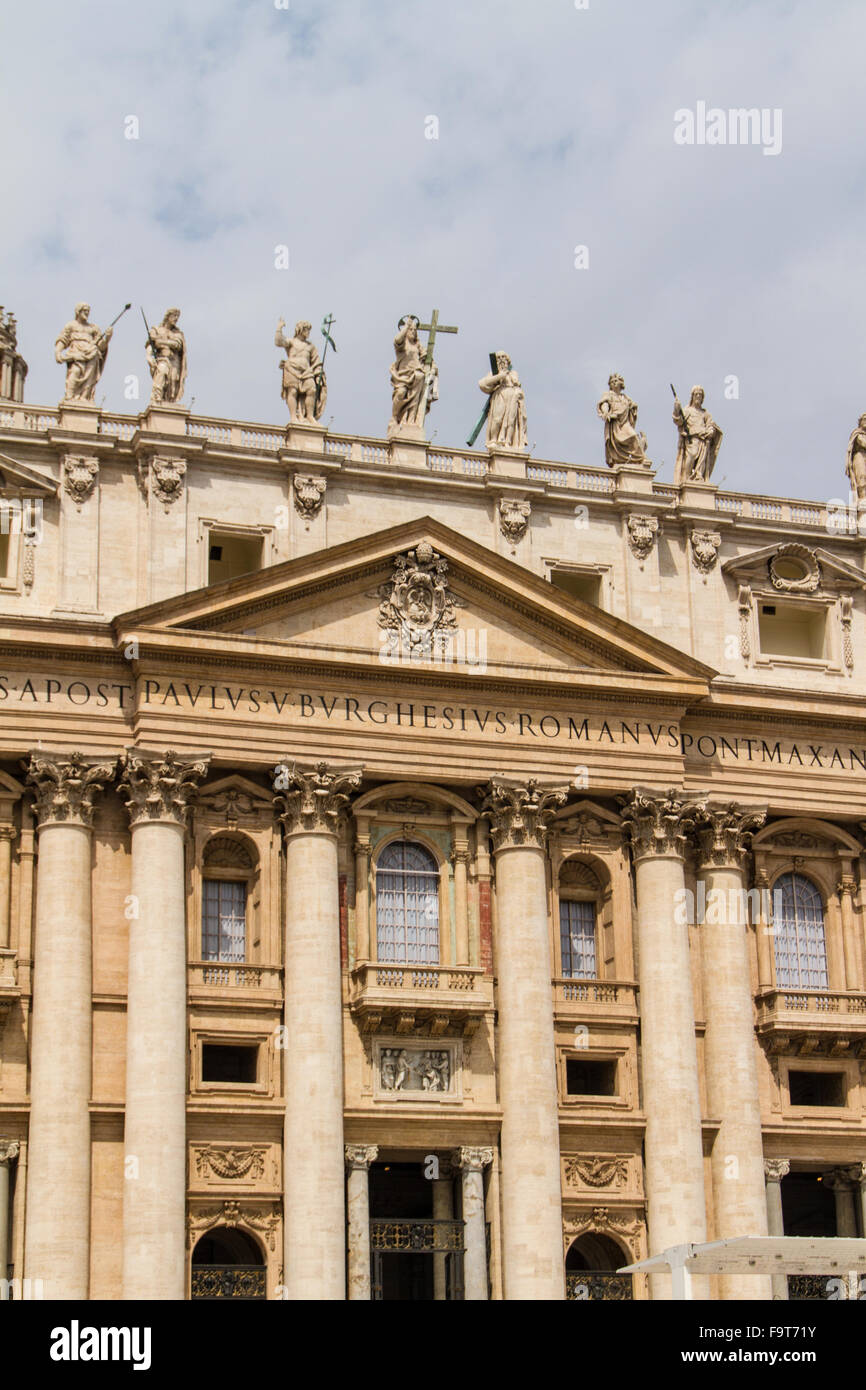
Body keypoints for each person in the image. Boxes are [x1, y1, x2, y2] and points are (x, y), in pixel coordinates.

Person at [55, 302, 113, 402]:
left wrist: (108, 337)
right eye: (85, 310)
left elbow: (101, 346)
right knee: (75, 372)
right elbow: (63, 340)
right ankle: (70, 397)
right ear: (78, 311)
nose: (87, 313)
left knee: (90, 379)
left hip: (92, 354)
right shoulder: (71, 325)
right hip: (76, 354)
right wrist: (58, 352)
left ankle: (84, 398)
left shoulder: (93, 328)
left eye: (88, 311)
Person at [274, 318, 326, 421]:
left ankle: (310, 416)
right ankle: (294, 417)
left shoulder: (311, 346)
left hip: (306, 371)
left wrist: (318, 372)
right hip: (291, 368)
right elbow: (278, 342)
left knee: (312, 390)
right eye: (307, 330)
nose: (308, 332)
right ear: (301, 329)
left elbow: (316, 362)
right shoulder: (291, 342)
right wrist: (279, 328)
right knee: (292, 392)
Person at [389, 316, 434, 430]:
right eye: (411, 330)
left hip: (416, 376)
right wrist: (406, 326)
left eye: (415, 330)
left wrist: (430, 364)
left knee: (415, 400)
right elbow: (397, 340)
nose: (413, 332)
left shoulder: (417, 346)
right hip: (403, 376)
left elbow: (426, 358)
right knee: (400, 393)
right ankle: (395, 417)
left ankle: (410, 421)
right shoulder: (402, 345)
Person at [597, 372, 650, 467]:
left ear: (621, 383)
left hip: (625, 422)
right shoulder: (608, 394)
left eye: (616, 381)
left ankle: (640, 458)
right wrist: (606, 412)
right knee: (630, 437)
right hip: (615, 423)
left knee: (633, 436)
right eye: (612, 382)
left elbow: (632, 406)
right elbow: (604, 403)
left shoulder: (625, 397)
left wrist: (633, 407)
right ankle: (636, 459)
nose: (613, 383)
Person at [673, 385, 723, 484]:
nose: (698, 396)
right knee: (691, 455)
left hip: (703, 439)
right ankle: (686, 478)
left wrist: (711, 431)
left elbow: (711, 425)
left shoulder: (705, 413)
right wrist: (676, 409)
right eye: (696, 394)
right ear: (692, 396)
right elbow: (678, 421)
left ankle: (698, 477)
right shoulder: (687, 410)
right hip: (692, 439)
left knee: (701, 462)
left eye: (700, 395)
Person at [478, 351, 528, 449]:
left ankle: (508, 442)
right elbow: (482, 384)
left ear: (507, 360)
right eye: (499, 358)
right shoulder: (493, 373)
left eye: (503, 357)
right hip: (500, 395)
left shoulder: (513, 373)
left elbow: (516, 383)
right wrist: (499, 376)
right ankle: (493, 440)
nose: (501, 360)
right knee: (497, 418)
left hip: (513, 397)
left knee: (511, 420)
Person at [146, 307, 187, 404]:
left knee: (172, 384)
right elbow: (150, 346)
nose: (176, 319)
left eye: (177, 317)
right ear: (168, 317)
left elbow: (177, 345)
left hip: (174, 361)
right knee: (162, 372)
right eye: (174, 316)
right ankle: (156, 399)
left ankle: (168, 404)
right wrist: (148, 357)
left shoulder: (178, 333)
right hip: (162, 359)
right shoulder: (156, 330)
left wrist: (160, 342)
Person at [845, 413, 866, 502]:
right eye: (864, 419)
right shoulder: (857, 434)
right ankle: (862, 499)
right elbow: (863, 443)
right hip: (859, 457)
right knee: (862, 477)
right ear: (860, 422)